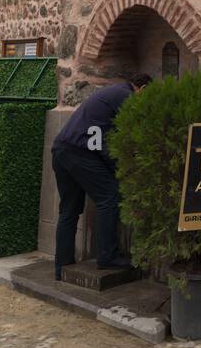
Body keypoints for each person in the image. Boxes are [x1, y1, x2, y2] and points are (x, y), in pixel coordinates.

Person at [51, 73, 152, 279]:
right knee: (109, 197)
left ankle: (62, 265)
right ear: (141, 89)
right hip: (80, 152)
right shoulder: (126, 96)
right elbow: (130, 134)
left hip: (62, 149)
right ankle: (107, 257)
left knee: (69, 210)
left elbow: (104, 140)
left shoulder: (111, 93)